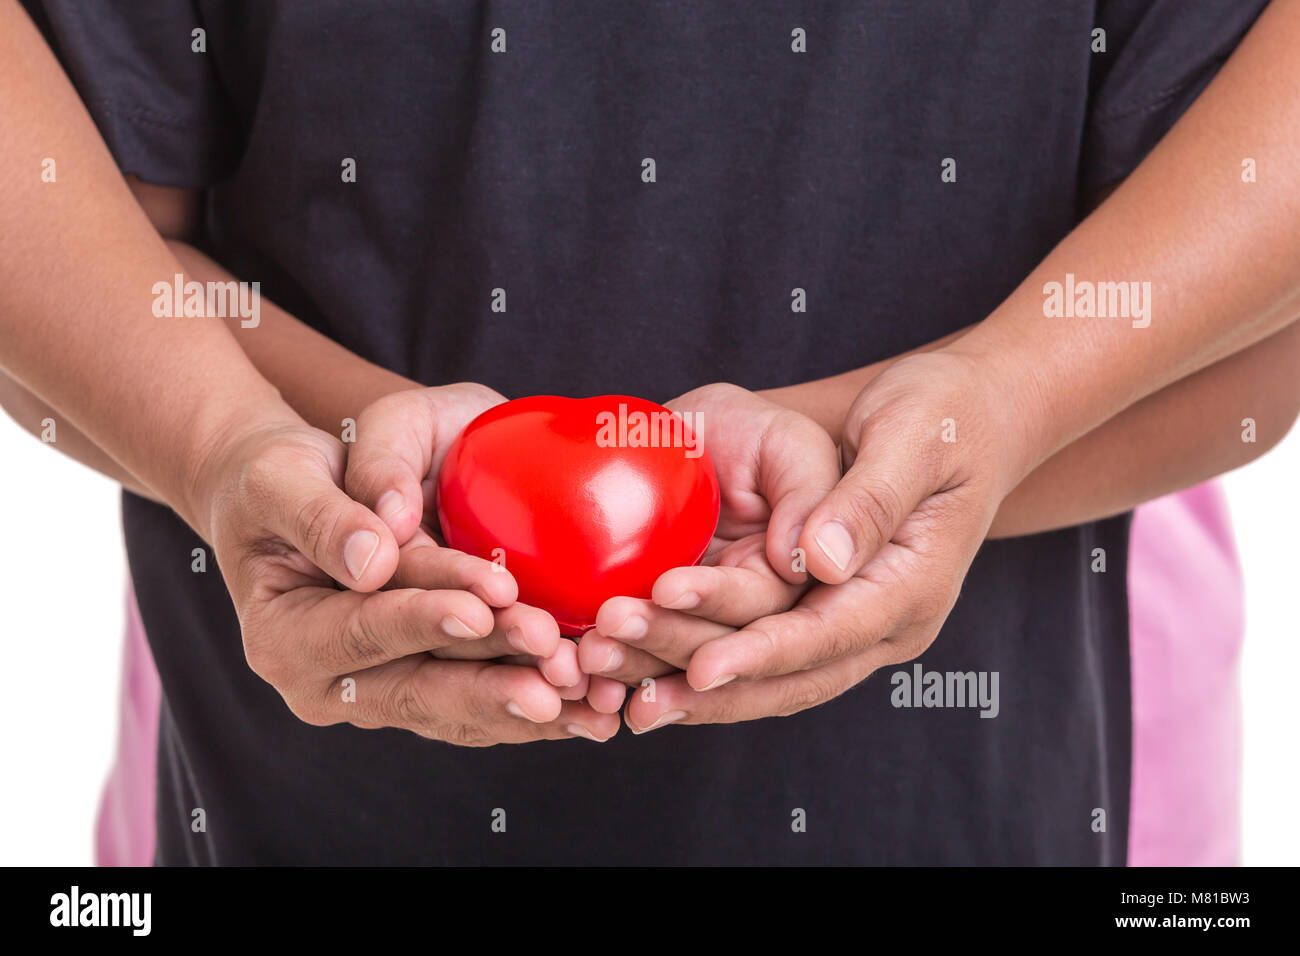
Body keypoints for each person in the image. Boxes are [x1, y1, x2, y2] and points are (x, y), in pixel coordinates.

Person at [3, 0, 1297, 864]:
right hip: (273, 757)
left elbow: (1263, 332)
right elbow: (81, 244)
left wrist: (1002, 406)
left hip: (1036, 744)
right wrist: (229, 449)